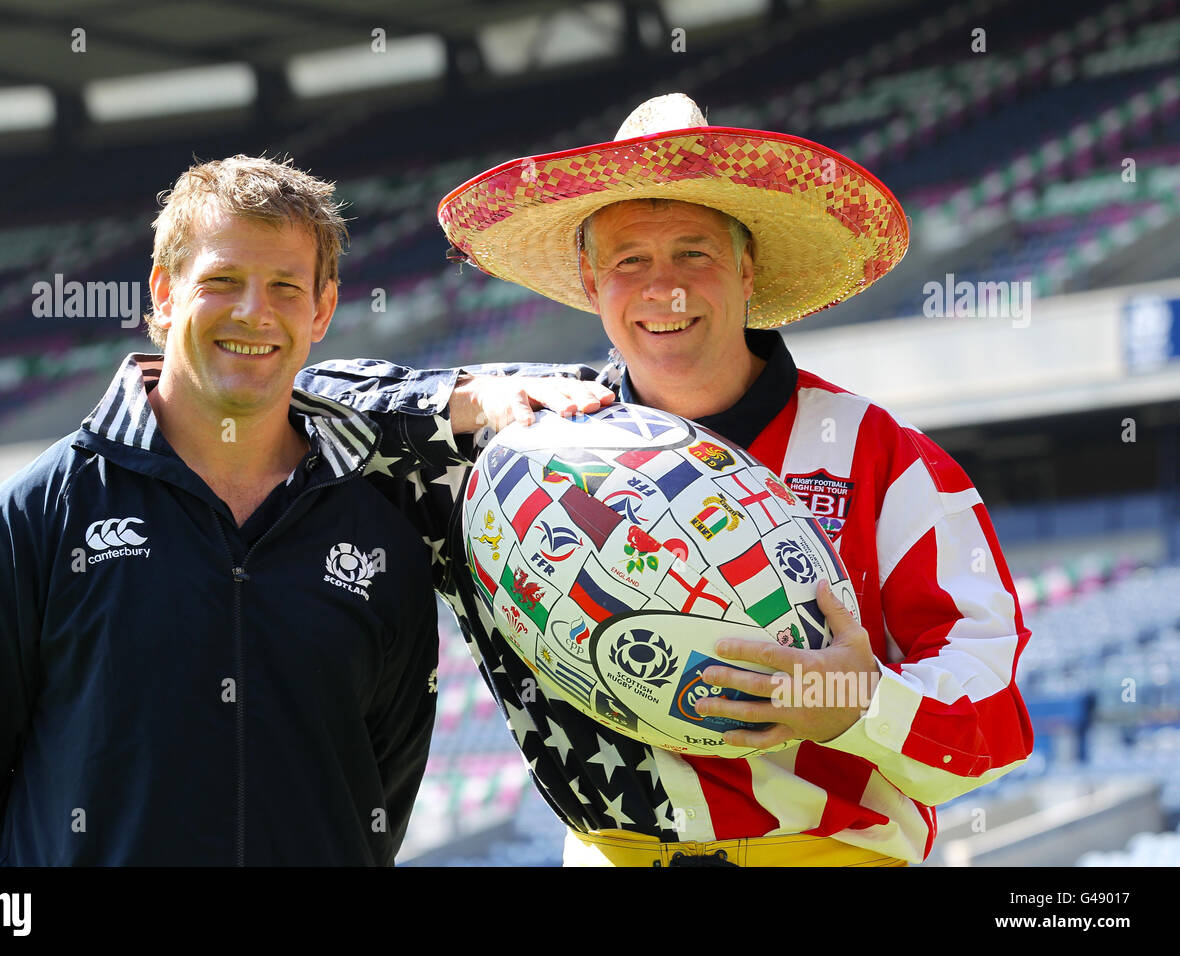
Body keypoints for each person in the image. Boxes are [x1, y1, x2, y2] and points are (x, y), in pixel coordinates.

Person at [299, 95, 1033, 866]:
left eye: (694, 253)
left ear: (747, 269)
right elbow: (304, 409)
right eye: (629, 261)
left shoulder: (888, 459)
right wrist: (465, 400)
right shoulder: (521, 447)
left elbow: (996, 723)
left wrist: (856, 706)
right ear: (589, 280)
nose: (664, 290)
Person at [0, 155, 444, 866]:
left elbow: (371, 814)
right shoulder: (28, 525)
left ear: (323, 309)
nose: (254, 312)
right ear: (165, 291)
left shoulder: (381, 544)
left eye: (284, 286)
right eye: (222, 281)